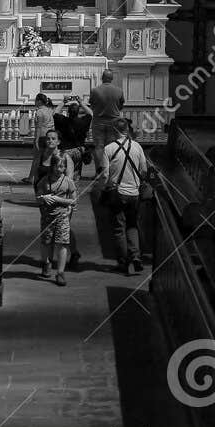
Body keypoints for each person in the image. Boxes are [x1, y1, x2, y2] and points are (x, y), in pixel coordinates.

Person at [100, 119, 152, 275]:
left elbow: (105, 174)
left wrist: (106, 187)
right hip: (134, 194)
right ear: (127, 130)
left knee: (118, 229)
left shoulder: (109, 148)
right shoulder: (137, 146)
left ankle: (123, 262)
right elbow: (144, 170)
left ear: (115, 131)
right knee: (132, 225)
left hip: (118, 193)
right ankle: (136, 256)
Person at [31, 131, 82, 267]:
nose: (50, 141)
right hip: (45, 199)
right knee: (49, 229)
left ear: (58, 141)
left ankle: (70, 253)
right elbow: (36, 179)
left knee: (63, 226)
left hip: (62, 199)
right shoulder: (41, 156)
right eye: (48, 139)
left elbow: (69, 180)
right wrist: (39, 197)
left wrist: (70, 202)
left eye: (53, 139)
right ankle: (50, 259)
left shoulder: (64, 157)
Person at [88, 70, 125, 175]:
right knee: (112, 146)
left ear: (102, 78)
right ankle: (112, 171)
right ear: (112, 78)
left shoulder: (95, 90)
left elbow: (92, 105)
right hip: (114, 122)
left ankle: (99, 171)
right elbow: (120, 106)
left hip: (98, 121)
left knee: (99, 146)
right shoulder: (119, 90)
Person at [20, 92, 59, 185]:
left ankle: (31, 178)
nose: (35, 102)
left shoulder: (39, 112)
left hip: (42, 137)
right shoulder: (49, 110)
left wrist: (36, 140)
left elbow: (39, 127)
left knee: (37, 159)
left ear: (39, 101)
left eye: (36, 100)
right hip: (51, 136)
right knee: (50, 157)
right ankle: (53, 176)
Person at [53, 96, 92, 177]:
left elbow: (55, 113)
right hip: (78, 150)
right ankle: (74, 188)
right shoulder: (82, 121)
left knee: (63, 173)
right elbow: (90, 113)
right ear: (78, 112)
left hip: (65, 150)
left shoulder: (62, 120)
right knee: (76, 174)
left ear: (68, 112)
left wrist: (63, 102)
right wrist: (81, 102)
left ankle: (64, 187)